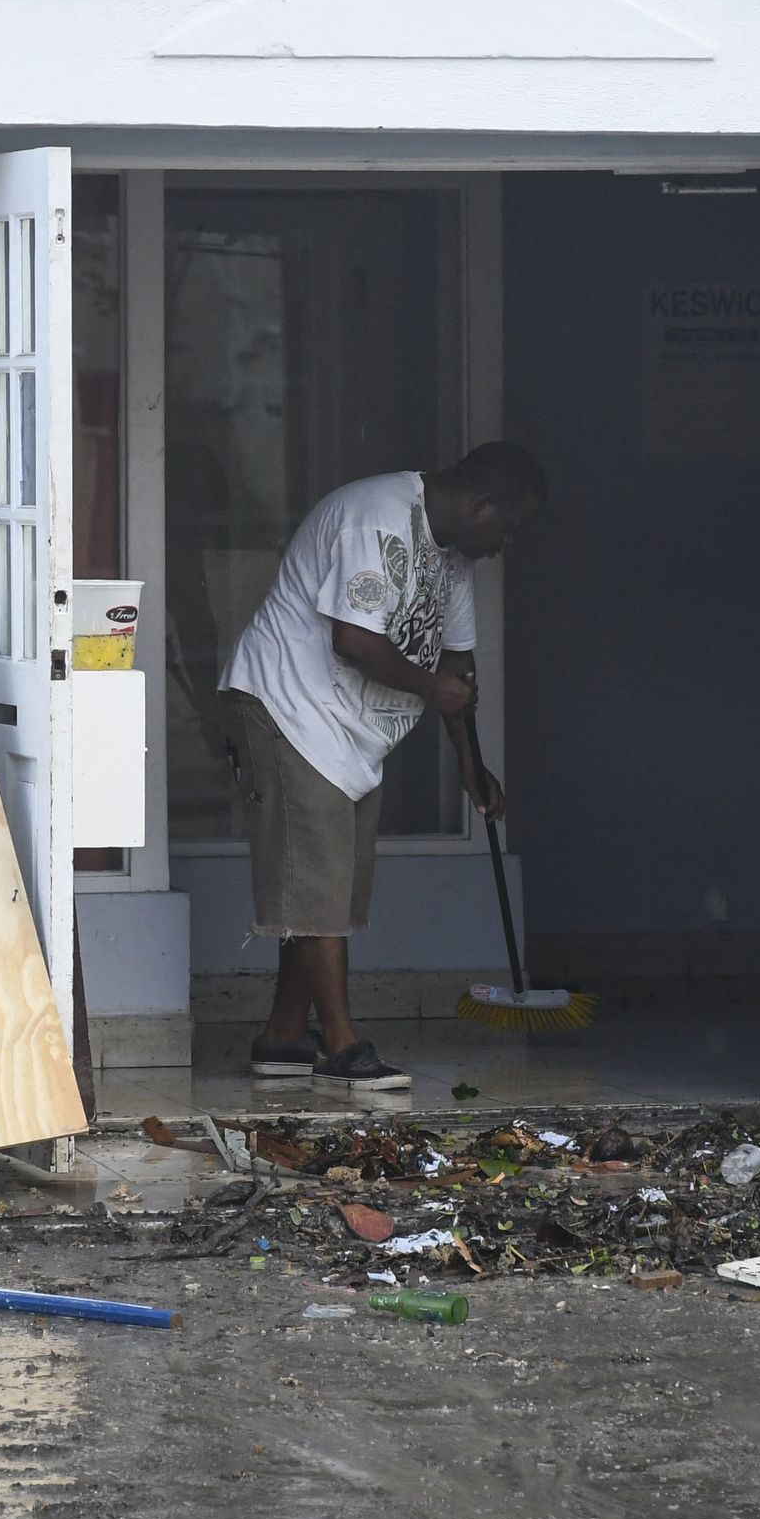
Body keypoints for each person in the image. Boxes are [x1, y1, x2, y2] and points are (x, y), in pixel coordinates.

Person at [218, 442, 548, 1089]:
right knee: (316, 888)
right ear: (479, 504)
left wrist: (470, 764)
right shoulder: (376, 518)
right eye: (507, 527)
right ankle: (343, 1046)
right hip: (289, 706)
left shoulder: (453, 556)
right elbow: (355, 640)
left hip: (351, 730)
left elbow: (457, 663)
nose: (507, 542)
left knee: (322, 889)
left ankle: (284, 1038)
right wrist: (433, 690)